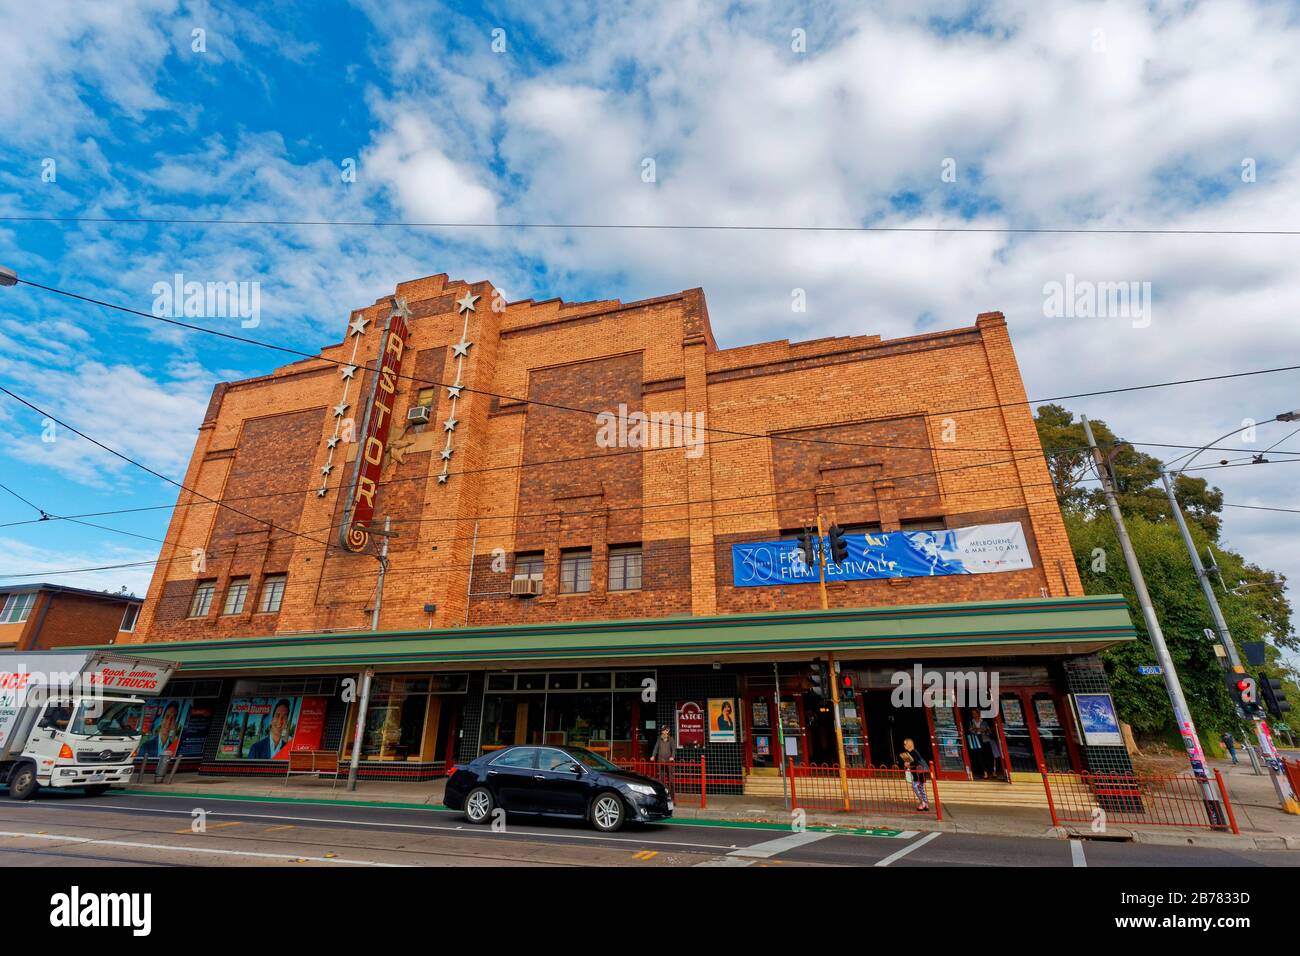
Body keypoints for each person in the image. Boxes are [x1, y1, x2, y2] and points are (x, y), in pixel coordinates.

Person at [900, 737, 931, 811]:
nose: (904, 745)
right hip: (920, 773)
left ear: (909, 744)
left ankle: (922, 802)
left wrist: (908, 764)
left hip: (918, 774)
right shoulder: (914, 752)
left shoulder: (912, 752)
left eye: (905, 744)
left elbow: (916, 763)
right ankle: (926, 804)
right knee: (921, 789)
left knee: (915, 787)